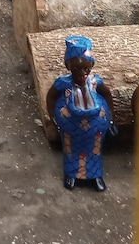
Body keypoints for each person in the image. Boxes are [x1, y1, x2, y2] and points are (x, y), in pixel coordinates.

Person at [47, 35, 116, 192]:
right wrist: (52, 119)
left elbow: (107, 94)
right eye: (77, 68)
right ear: (69, 66)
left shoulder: (95, 81)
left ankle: (95, 175)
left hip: (95, 128)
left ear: (91, 66)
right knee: (71, 148)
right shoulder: (63, 83)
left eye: (86, 68)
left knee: (95, 149)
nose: (82, 73)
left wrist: (111, 119)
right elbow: (50, 97)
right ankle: (71, 174)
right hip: (71, 127)